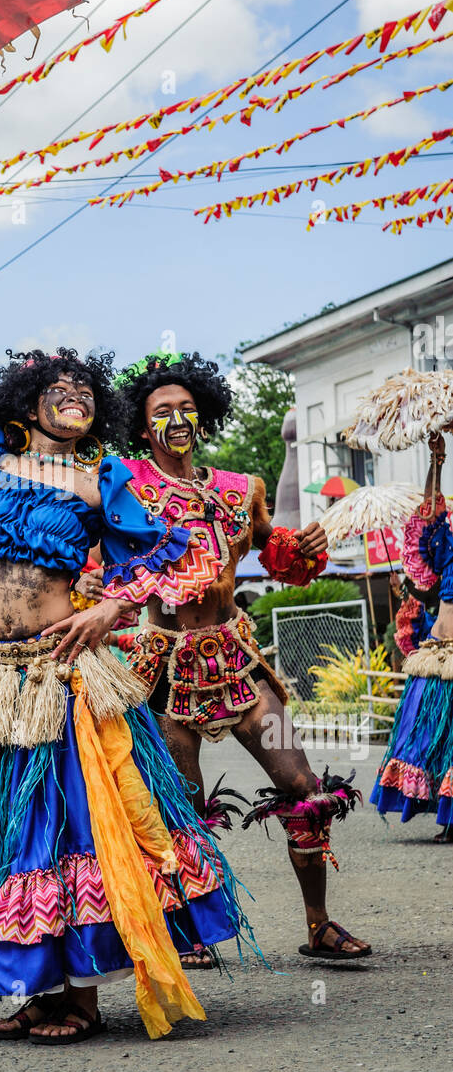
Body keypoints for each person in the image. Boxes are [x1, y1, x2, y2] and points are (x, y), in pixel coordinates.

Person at [0, 211, 254, 1045]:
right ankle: (32, 985)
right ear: (23, 411)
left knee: (71, 824)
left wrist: (114, 605)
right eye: (59, 393)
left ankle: (80, 994)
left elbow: (174, 553)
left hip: (62, 674)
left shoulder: (101, 479)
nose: (74, 400)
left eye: (85, 394)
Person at [114, 350, 369, 963]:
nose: (177, 418)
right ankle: (192, 930)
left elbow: (280, 560)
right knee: (185, 806)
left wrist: (303, 544)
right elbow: (113, 567)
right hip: (166, 666)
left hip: (237, 660)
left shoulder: (239, 488)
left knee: (302, 786)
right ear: (144, 427)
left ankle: (319, 924)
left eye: (187, 408)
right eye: (162, 411)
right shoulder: (125, 486)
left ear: (202, 419)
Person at [371, 435, 453, 842]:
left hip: (447, 631)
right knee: (431, 724)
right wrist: (436, 459)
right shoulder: (440, 527)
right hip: (441, 629)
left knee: (436, 722)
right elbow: (431, 509)